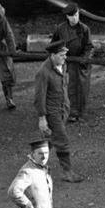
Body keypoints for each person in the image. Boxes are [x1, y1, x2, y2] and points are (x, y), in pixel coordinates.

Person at [33, 37, 85, 183]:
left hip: (63, 110)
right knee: (62, 140)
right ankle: (67, 173)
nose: (65, 57)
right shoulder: (43, 72)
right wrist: (42, 118)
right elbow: (39, 97)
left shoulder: (62, 65)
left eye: (65, 54)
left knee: (49, 140)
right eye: (62, 55)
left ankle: (34, 169)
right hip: (52, 112)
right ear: (53, 55)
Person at [52, 3, 92, 122]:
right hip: (66, 62)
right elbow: (53, 44)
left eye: (76, 15)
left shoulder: (84, 29)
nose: (74, 18)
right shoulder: (60, 29)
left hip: (81, 63)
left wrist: (85, 58)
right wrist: (59, 56)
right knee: (68, 87)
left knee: (82, 88)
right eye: (72, 16)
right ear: (67, 17)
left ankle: (80, 111)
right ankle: (70, 112)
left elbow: (89, 46)